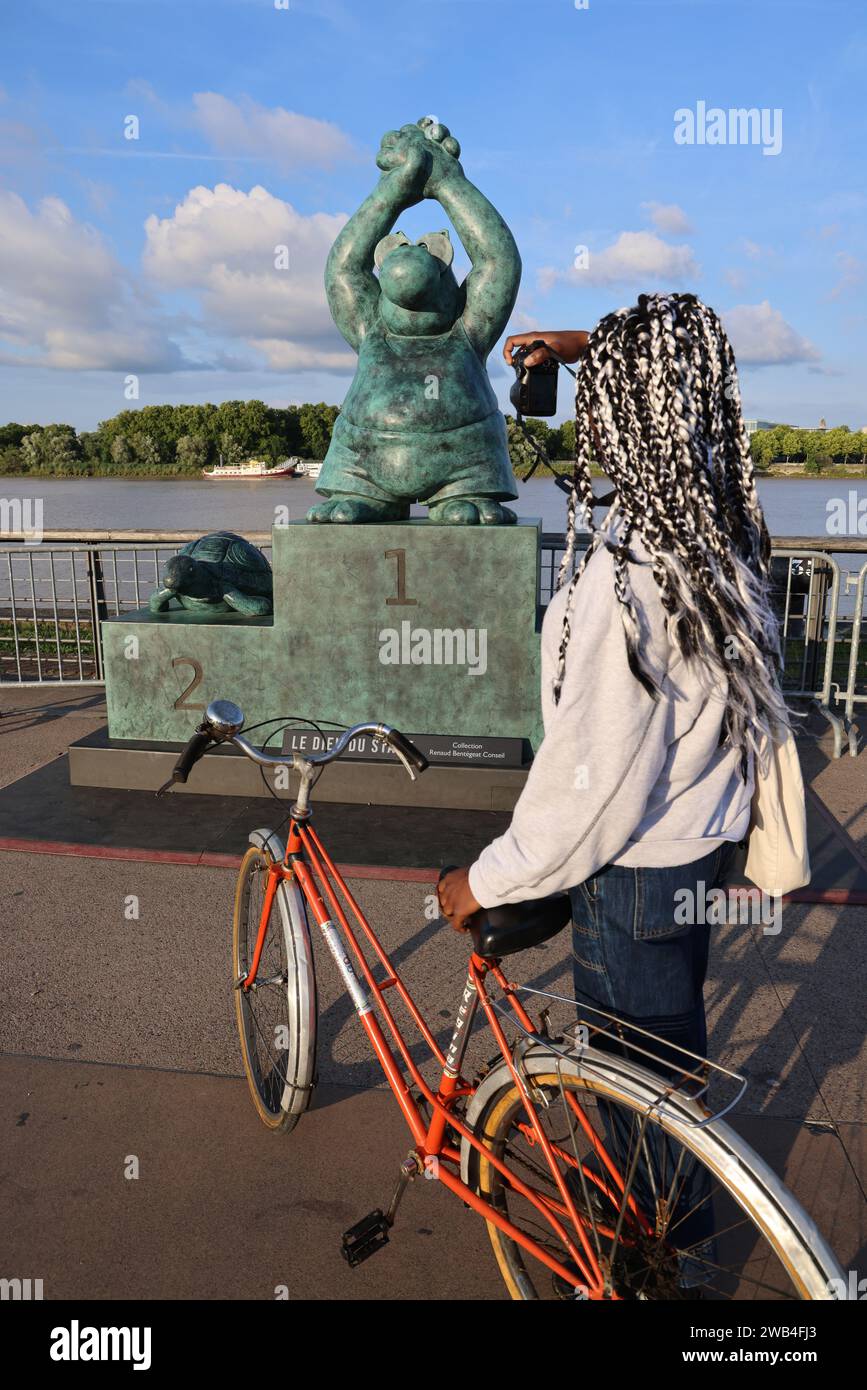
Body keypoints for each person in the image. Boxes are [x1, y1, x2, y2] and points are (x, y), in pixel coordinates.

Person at [437, 292, 790, 1276]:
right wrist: (587, 346)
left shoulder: (631, 574)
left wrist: (486, 881)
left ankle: (667, 1284)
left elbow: (586, 788)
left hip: (633, 879)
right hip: (698, 857)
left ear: (623, 419)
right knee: (672, 1080)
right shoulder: (724, 535)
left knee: (647, 1125)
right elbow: (686, 341)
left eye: (605, 397)